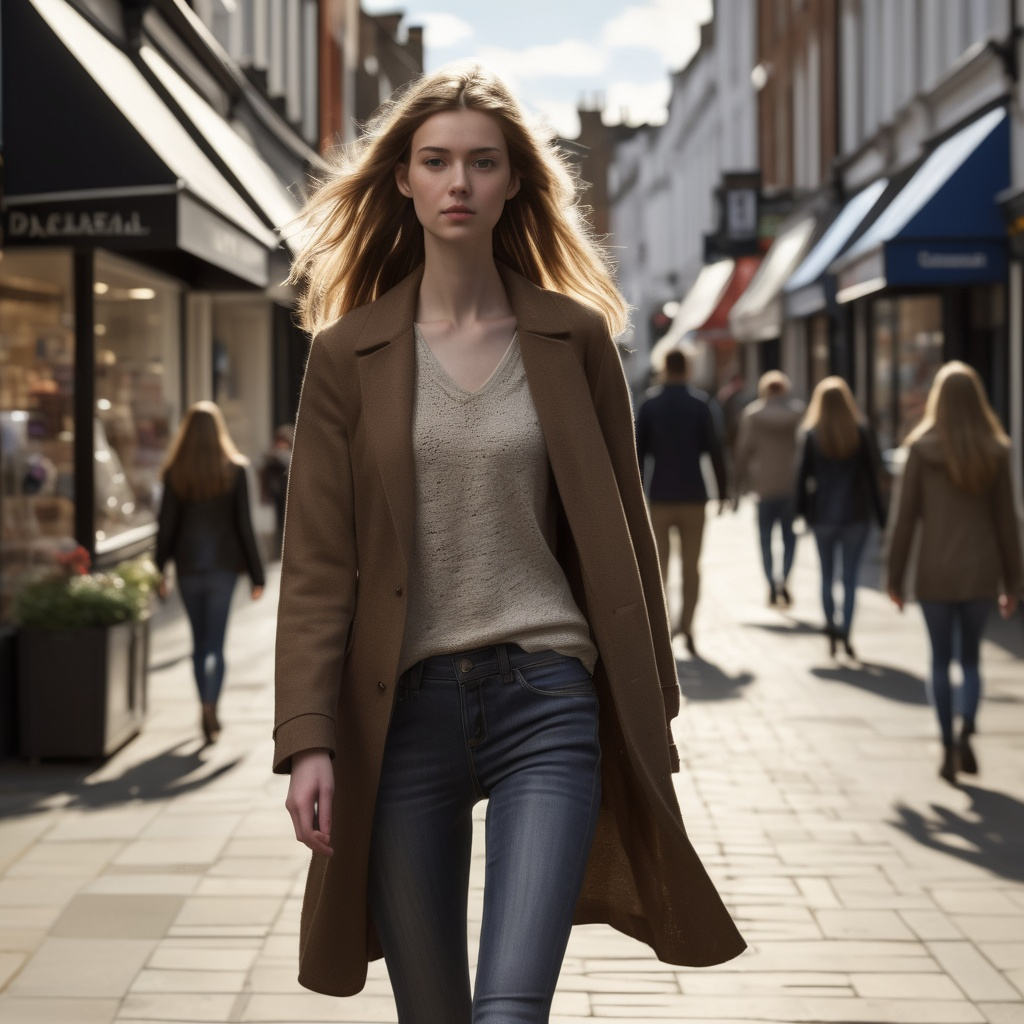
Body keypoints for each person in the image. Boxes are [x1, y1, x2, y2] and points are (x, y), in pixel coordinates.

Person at [273, 62, 744, 1022]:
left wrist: (651, 699)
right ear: (403, 179)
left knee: (510, 1011)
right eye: (436, 161)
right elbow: (317, 566)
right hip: (401, 715)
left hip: (547, 699)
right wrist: (308, 739)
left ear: (514, 180)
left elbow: (623, 531)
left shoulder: (575, 339)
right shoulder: (346, 355)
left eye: (482, 162)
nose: (459, 182)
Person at [886, 362, 1022, 784]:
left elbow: (905, 519)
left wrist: (894, 578)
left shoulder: (920, 449)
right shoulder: (994, 450)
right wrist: (1013, 582)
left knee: (940, 659)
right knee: (971, 659)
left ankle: (946, 743)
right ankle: (967, 730)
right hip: (981, 571)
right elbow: (1007, 521)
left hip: (935, 571)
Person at [156, 401, 265, 743]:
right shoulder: (235, 469)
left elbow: (166, 527)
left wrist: (158, 570)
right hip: (223, 568)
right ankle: (211, 704)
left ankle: (203, 703)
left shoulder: (175, 472)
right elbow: (245, 525)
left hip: (188, 567)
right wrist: (258, 575)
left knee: (198, 643)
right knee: (216, 644)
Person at [636, 348, 727, 655]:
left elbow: (636, 454)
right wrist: (723, 490)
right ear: (687, 368)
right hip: (693, 496)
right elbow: (715, 449)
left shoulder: (650, 404)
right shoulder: (700, 404)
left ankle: (664, 627)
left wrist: (635, 494)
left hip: (660, 495)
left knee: (658, 567)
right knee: (691, 566)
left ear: (664, 367)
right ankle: (687, 626)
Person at [796, 377, 886, 659]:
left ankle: (831, 627)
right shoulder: (861, 432)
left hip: (823, 515)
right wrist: (883, 519)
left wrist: (800, 514)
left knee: (826, 576)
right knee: (849, 578)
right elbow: (874, 478)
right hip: (855, 515)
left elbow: (801, 479)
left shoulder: (813, 434)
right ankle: (845, 630)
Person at [734, 370, 804, 606]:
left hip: (763, 486)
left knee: (765, 539)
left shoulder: (753, 415)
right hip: (790, 485)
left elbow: (743, 452)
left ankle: (771, 584)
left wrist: (737, 486)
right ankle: (784, 578)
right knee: (789, 537)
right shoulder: (797, 414)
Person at [259, 423, 293, 558]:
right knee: (280, 524)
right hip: (277, 494)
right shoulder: (272, 458)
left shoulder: (291, 456)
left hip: (290, 494)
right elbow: (265, 476)